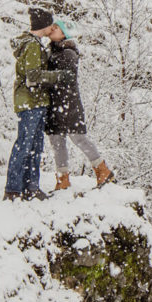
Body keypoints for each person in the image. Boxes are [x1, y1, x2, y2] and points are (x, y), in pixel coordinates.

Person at [4, 7, 71, 201]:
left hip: (35, 101)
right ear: (45, 25)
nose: (53, 28)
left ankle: (30, 187)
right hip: (31, 102)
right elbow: (33, 77)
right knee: (25, 145)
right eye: (51, 24)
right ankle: (14, 189)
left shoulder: (34, 43)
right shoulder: (33, 45)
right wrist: (59, 76)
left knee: (34, 146)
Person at [43, 18, 116, 191]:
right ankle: (63, 179)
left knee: (77, 138)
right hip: (56, 104)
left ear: (64, 33)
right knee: (57, 140)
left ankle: (102, 170)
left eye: (56, 28)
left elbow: (65, 77)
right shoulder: (51, 51)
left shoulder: (68, 53)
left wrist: (42, 77)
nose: (52, 29)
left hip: (67, 103)